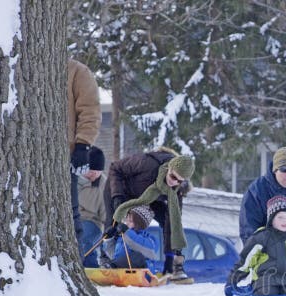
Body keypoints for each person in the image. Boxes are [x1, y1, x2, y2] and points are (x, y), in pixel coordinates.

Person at [106, 149, 195, 283]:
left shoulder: (177, 190)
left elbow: (173, 225)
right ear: (169, 168)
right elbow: (115, 168)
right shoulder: (147, 164)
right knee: (114, 222)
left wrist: (170, 257)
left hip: (151, 197)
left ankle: (176, 266)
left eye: (179, 181)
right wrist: (118, 198)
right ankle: (106, 260)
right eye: (173, 176)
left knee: (169, 221)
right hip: (121, 188)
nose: (174, 182)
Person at [228, 195, 286, 296]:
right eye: (280, 217)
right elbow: (245, 262)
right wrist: (231, 282)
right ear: (271, 219)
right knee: (266, 292)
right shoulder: (260, 238)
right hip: (267, 278)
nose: (285, 221)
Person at [68, 58, 102, 250]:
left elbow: (90, 109)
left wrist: (83, 144)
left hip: (65, 155)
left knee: (69, 213)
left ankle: (75, 259)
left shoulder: (77, 71)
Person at [77, 146, 108, 267]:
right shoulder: (71, 179)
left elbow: (106, 213)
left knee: (84, 238)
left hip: (91, 222)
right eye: (91, 170)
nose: (94, 174)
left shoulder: (103, 185)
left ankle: (90, 268)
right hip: (70, 220)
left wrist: (109, 229)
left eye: (98, 171)